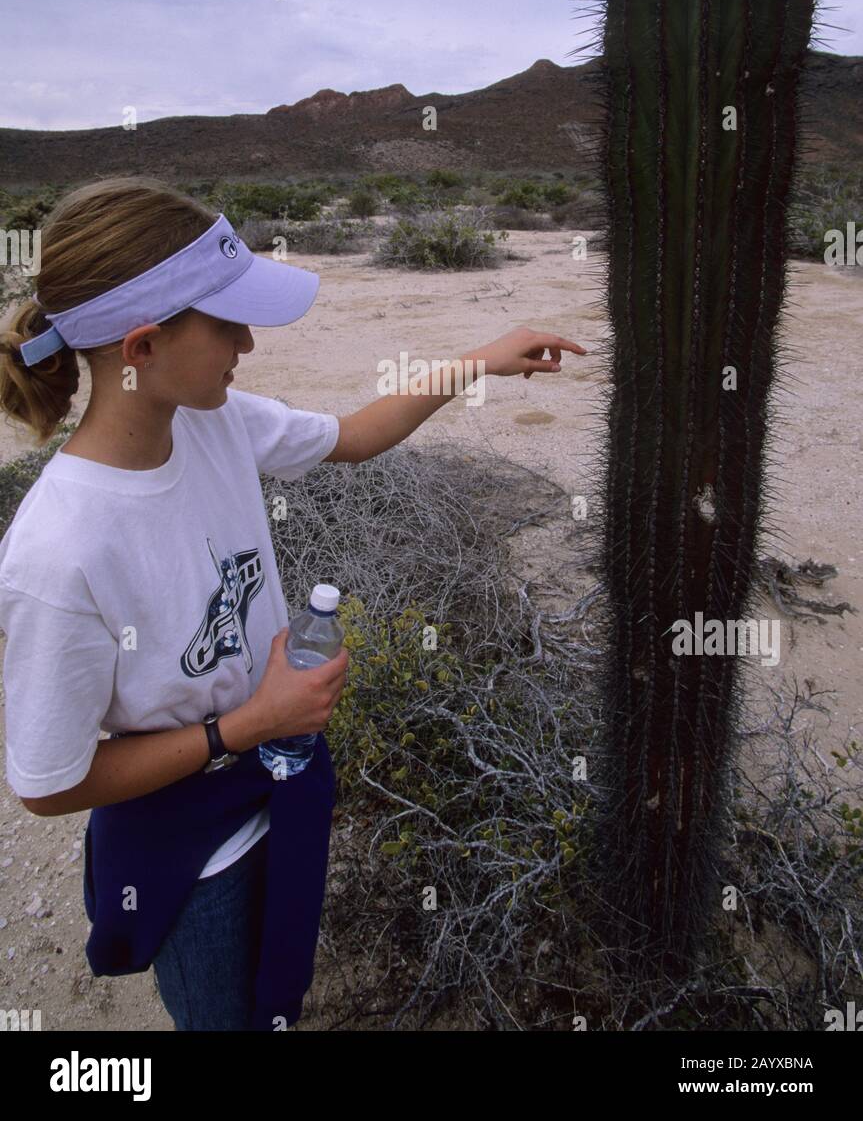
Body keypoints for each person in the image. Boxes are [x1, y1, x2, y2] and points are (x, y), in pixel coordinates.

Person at [0, 175, 586, 1030]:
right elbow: (49, 787)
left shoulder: (211, 419)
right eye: (225, 321)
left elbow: (351, 437)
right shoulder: (60, 552)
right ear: (141, 347)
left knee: (277, 1000)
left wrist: (476, 362)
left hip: (283, 786)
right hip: (193, 853)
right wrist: (243, 726)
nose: (248, 341)